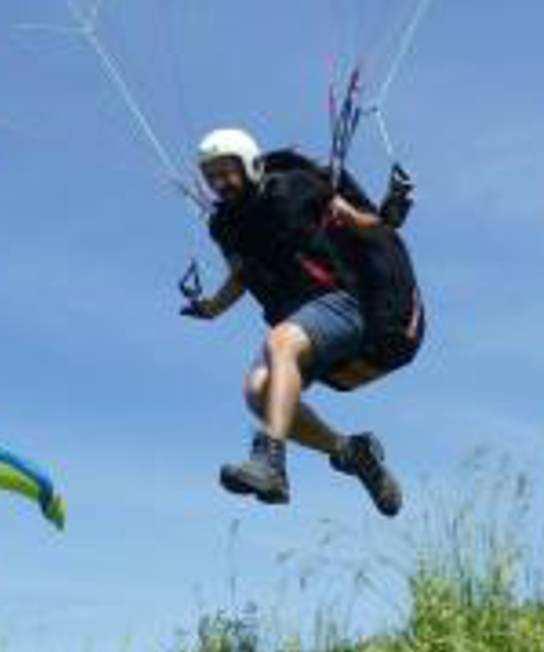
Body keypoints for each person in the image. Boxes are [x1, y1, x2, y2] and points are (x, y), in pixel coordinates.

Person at [179, 128, 425, 514]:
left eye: (227, 171)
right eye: (211, 177)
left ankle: (270, 465)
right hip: (303, 320)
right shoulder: (224, 225)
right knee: (258, 391)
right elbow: (242, 275)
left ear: (251, 165)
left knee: (281, 342)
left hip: (346, 303)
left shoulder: (295, 186)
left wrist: (390, 216)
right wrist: (211, 309)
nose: (219, 183)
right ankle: (352, 452)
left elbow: (357, 222)